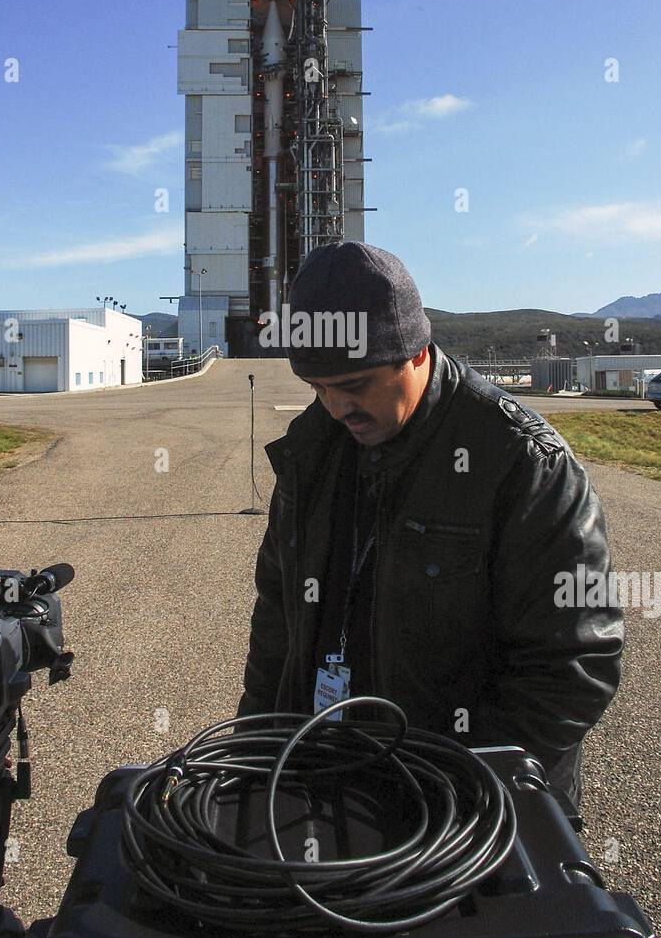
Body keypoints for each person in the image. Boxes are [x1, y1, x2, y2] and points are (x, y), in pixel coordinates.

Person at [237, 243, 624, 814]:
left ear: (416, 354)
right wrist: (255, 751)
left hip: (473, 810)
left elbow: (571, 664)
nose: (339, 406)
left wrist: (455, 792)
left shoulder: (522, 462)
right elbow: (278, 615)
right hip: (329, 776)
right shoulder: (311, 449)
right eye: (319, 388)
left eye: (358, 383)